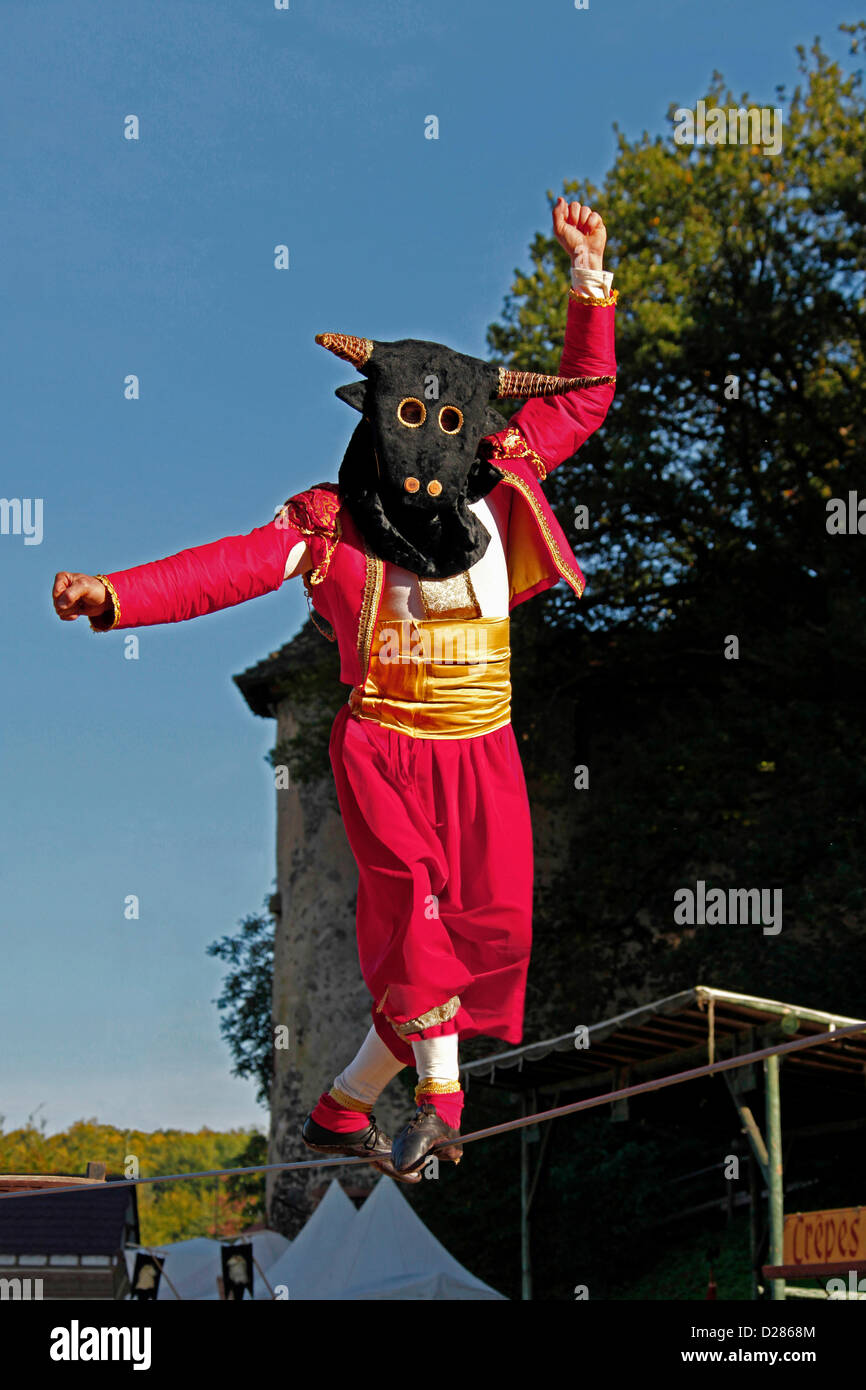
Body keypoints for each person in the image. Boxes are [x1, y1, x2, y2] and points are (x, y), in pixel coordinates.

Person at [53, 196, 617, 1181]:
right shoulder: (329, 527)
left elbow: (581, 395)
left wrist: (585, 277)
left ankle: (343, 1108)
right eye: (408, 421)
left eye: (447, 426)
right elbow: (226, 568)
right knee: (419, 923)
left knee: (486, 937)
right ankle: (439, 1106)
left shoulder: (508, 471)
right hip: (383, 749)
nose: (427, 451)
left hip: (478, 747)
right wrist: (115, 596)